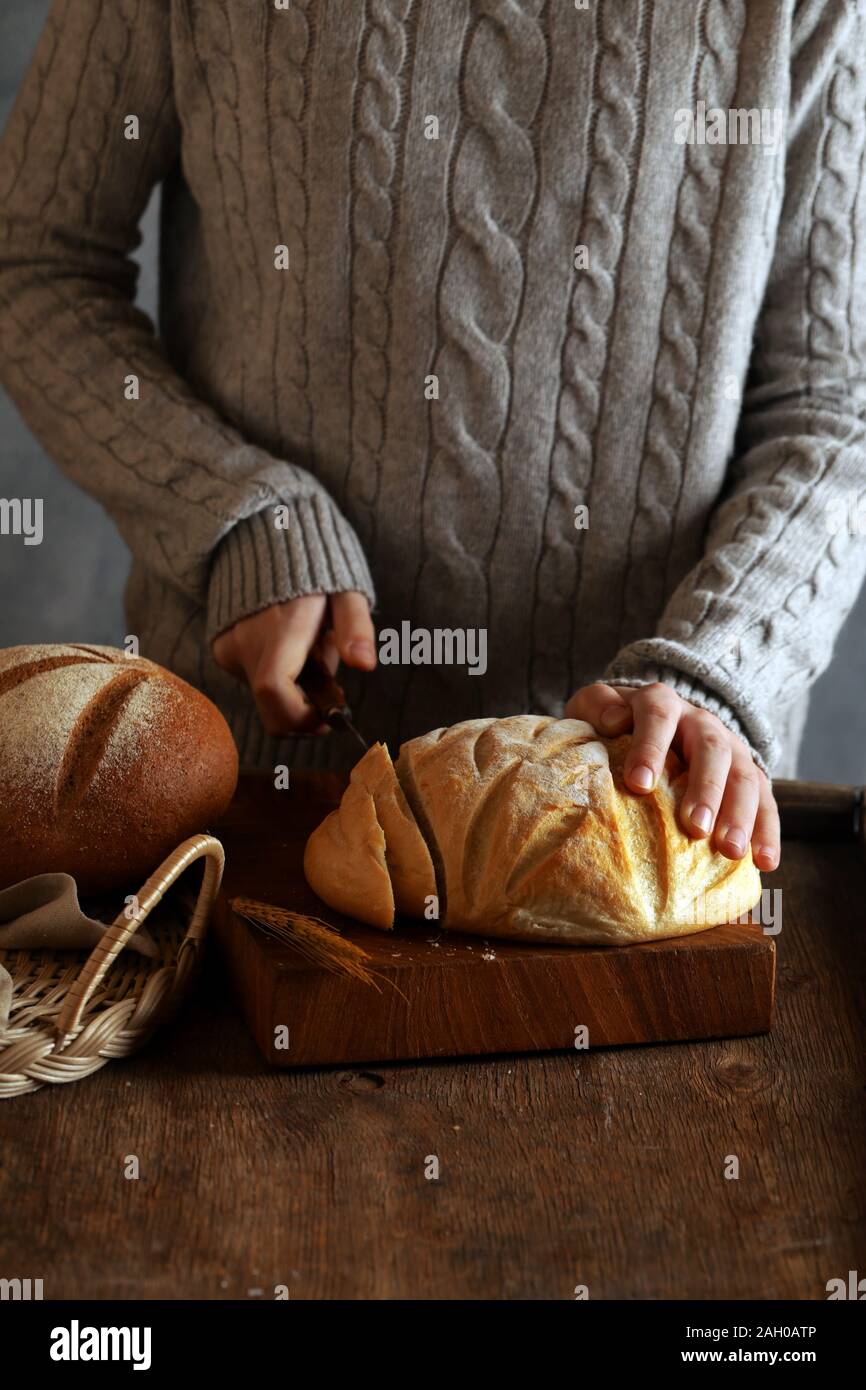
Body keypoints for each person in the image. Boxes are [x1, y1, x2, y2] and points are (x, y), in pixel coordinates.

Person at [1, 0, 865, 881]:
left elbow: (831, 402)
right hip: (259, 804)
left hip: (655, 822)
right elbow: (33, 262)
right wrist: (235, 514)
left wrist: (716, 670)